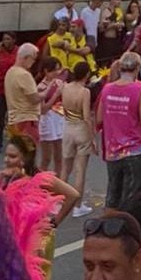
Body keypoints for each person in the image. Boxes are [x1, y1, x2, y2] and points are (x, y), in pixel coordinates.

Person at [96, 52, 141, 209]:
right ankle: (129, 229)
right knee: (134, 198)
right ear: (137, 68)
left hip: (112, 151)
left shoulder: (107, 89)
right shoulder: (140, 89)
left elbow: (99, 118)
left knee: (113, 195)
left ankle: (109, 230)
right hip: (134, 150)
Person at [60, 61, 96, 219]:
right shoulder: (85, 92)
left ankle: (58, 202)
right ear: (87, 74)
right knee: (80, 170)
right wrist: (93, 137)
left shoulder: (65, 87)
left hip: (67, 128)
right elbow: (87, 117)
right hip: (81, 128)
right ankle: (77, 206)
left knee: (65, 168)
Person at [5, 42, 47, 143]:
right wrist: (48, 91)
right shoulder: (24, 75)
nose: (33, 63)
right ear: (26, 57)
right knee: (28, 153)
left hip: (13, 120)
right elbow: (34, 99)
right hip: (26, 120)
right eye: (33, 59)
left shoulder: (10, 72)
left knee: (18, 152)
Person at [37, 56, 66, 174]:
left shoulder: (59, 83)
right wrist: (56, 94)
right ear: (46, 71)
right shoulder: (41, 87)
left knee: (59, 156)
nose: (57, 73)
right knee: (46, 158)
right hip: (47, 121)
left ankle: (57, 183)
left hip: (59, 119)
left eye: (58, 70)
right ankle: (39, 184)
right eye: (54, 70)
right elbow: (43, 109)